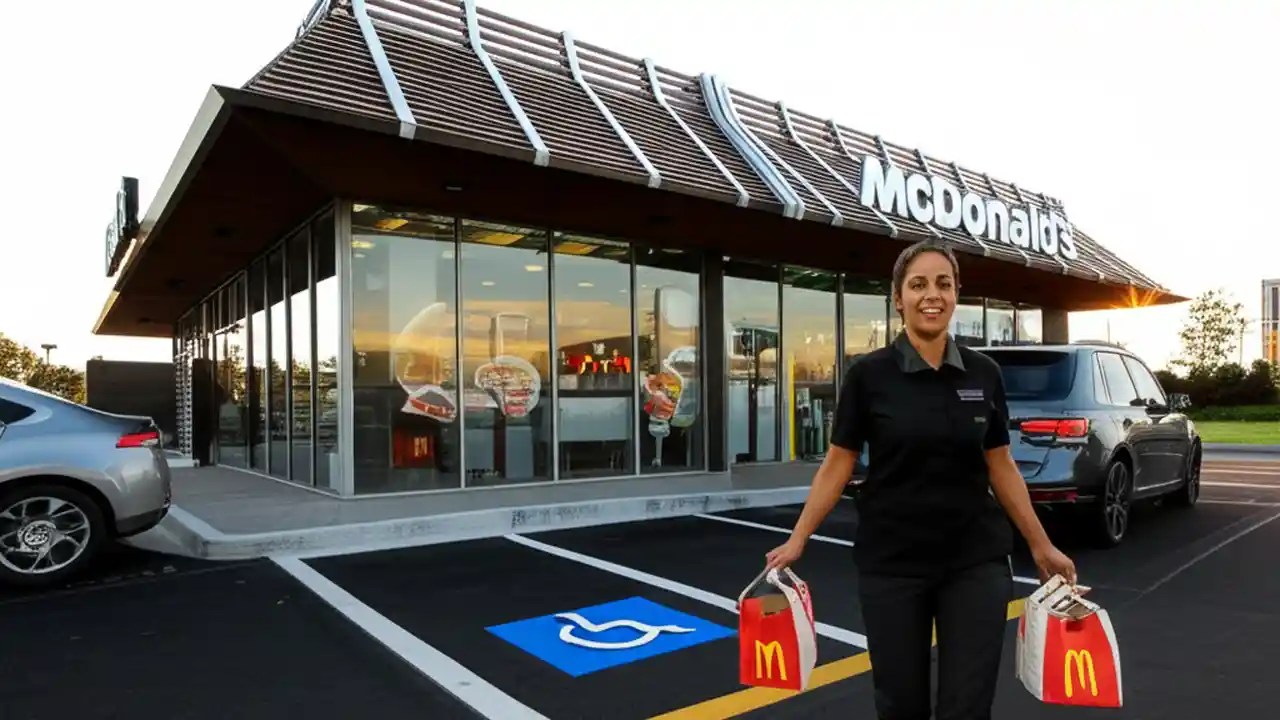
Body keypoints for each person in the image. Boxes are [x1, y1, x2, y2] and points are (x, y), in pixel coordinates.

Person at [765, 240, 1077, 720]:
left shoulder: (984, 373)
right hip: (893, 564)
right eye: (918, 285)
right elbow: (838, 462)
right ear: (898, 298)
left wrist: (1041, 546)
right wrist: (797, 539)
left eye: (943, 284)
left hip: (974, 562)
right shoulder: (869, 376)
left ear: (956, 295)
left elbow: (1001, 464)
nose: (931, 295)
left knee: (967, 706)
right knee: (900, 704)